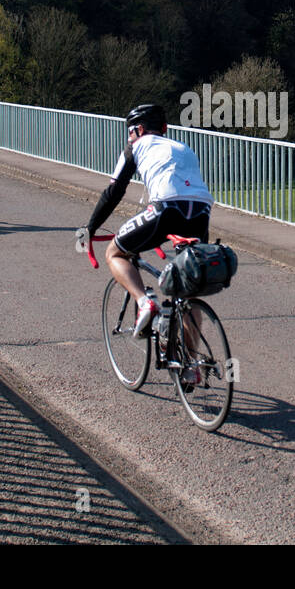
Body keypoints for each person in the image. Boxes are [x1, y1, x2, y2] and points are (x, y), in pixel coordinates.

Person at [79, 103, 214, 383]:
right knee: (185, 291)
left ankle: (144, 302)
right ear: (163, 128)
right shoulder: (182, 147)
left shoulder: (136, 147)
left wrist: (90, 228)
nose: (129, 138)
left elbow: (114, 191)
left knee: (115, 252)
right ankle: (190, 366)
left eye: (130, 133)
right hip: (201, 212)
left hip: (166, 208)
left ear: (138, 130)